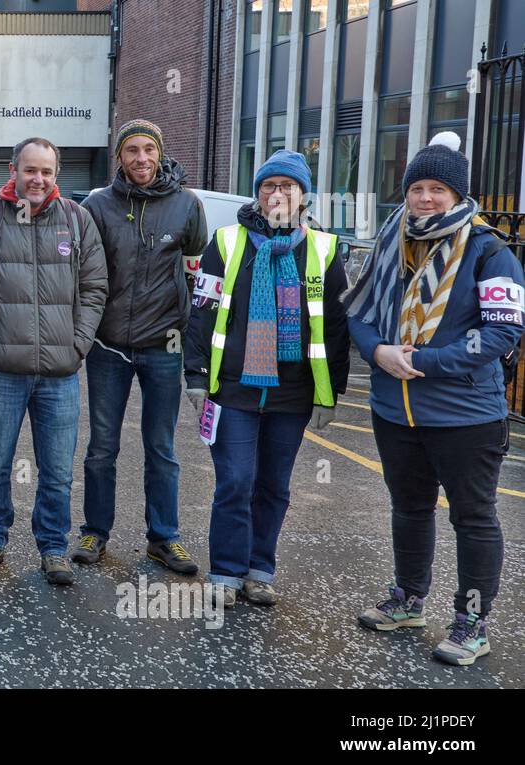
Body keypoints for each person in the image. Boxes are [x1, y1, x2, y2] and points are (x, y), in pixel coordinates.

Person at [349, 133, 523, 667]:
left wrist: (422, 360)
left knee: (473, 517)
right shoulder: (389, 243)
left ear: (457, 194)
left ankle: (472, 621)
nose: (425, 198)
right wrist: (377, 351)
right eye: (417, 187)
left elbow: (501, 333)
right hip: (393, 409)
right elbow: (356, 310)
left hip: (465, 416)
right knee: (409, 507)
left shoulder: (490, 250)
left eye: (438, 188)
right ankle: (409, 599)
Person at [183, 149, 349, 608]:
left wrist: (329, 394)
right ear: (257, 195)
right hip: (233, 388)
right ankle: (226, 571)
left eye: (287, 187)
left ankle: (260, 570)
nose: (277, 194)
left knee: (274, 486)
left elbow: (335, 328)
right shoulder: (227, 242)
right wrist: (195, 375)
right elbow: (201, 311)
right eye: (268, 186)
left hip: (292, 393)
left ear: (302, 197)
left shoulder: (324, 249)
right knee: (235, 481)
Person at [0, 137, 108, 586]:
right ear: (13, 170)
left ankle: (54, 547)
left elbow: (95, 288)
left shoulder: (78, 222)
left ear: (57, 175)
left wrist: (76, 345)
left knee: (57, 472)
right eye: (30, 170)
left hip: (59, 375)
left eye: (47, 172)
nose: (38, 180)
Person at [75, 119, 207, 573]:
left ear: (161, 153)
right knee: (101, 447)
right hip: (107, 345)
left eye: (148, 150)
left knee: (162, 449)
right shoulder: (97, 205)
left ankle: (164, 537)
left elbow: (196, 270)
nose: (141, 159)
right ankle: (94, 531)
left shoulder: (188, 205)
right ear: (120, 157)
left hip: (164, 344)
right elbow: (83, 271)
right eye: (131, 151)